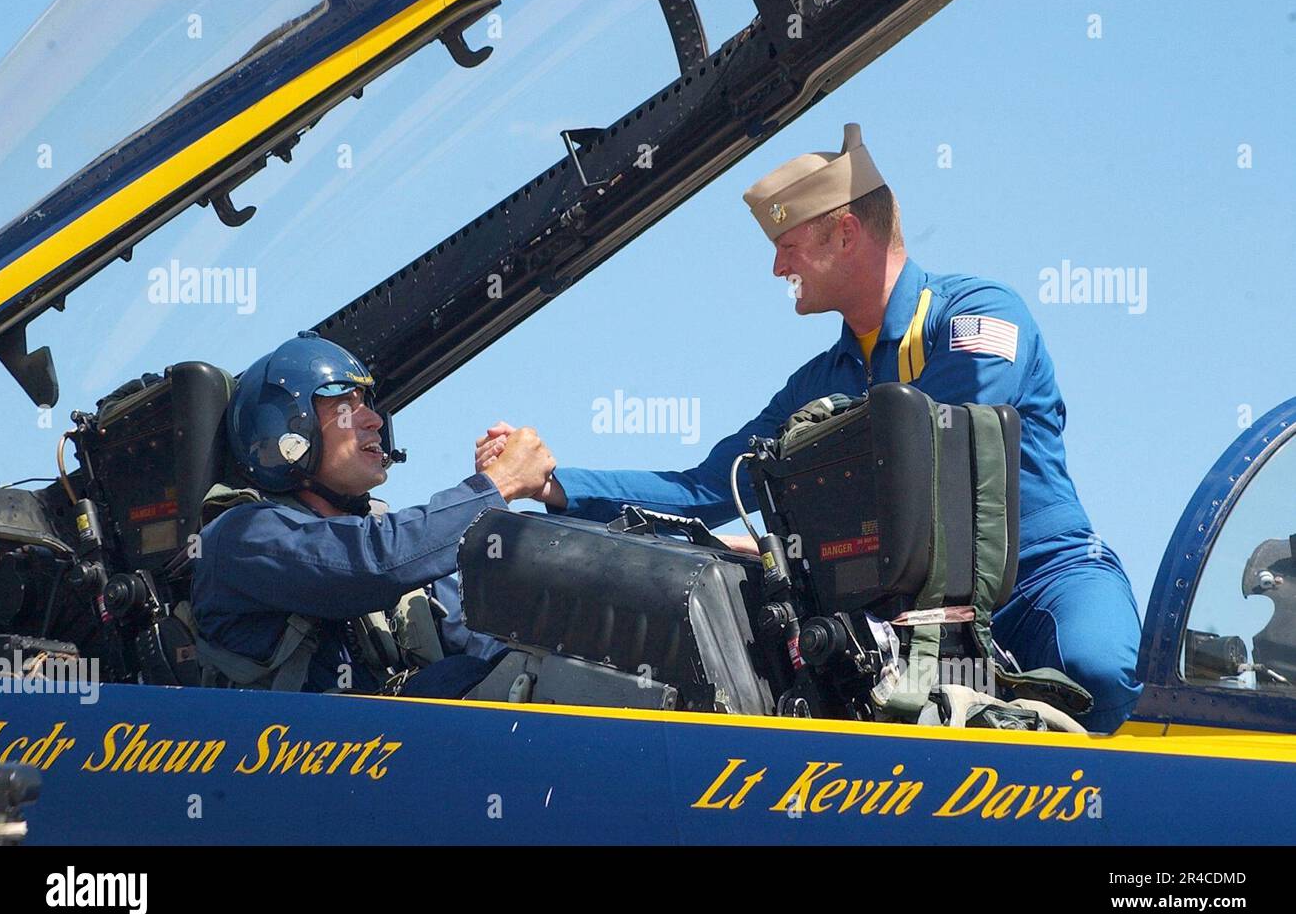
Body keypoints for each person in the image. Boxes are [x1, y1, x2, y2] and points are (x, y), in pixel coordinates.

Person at [476, 124, 1143, 732]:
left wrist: (784, 550)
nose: (777, 268)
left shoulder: (975, 317)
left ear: (844, 233)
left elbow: (934, 446)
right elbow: (710, 483)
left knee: (1095, 667)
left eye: (787, 246)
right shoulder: (817, 384)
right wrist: (554, 484)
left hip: (1037, 579)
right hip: (907, 614)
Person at [191, 331, 556, 697]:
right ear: (285, 429)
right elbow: (372, 562)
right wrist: (498, 483)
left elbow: (489, 646)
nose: (375, 421)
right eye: (346, 408)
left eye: (366, 403)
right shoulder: (240, 538)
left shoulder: (402, 558)